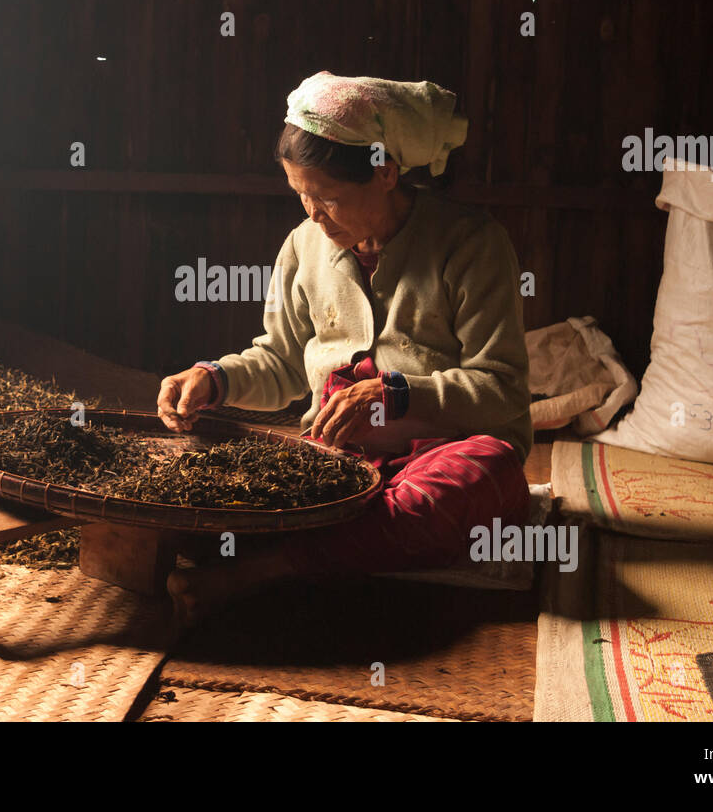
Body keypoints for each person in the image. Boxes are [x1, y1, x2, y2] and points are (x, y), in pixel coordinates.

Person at [156, 71, 533, 622]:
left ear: (385, 172)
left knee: (489, 473)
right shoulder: (304, 246)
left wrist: (397, 395)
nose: (311, 213)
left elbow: (501, 388)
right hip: (338, 454)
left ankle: (261, 569)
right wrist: (214, 378)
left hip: (443, 453)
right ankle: (339, 542)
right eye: (300, 194)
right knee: (203, 480)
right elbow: (282, 361)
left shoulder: (472, 244)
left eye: (327, 197)